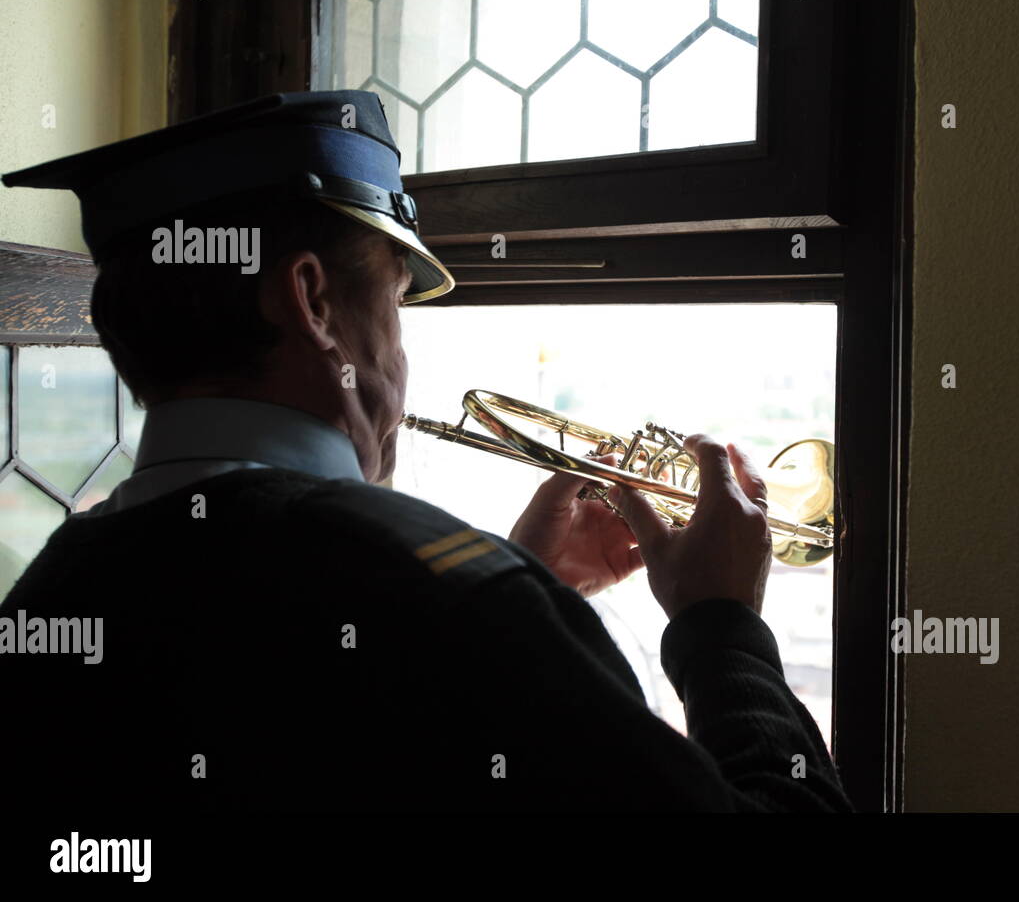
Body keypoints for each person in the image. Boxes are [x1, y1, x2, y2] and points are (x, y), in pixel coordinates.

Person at [0, 91, 853, 811]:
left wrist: (526, 591)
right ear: (313, 303)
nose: (400, 358)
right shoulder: (468, 605)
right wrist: (722, 624)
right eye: (397, 305)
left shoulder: (50, 589)